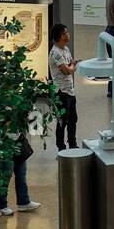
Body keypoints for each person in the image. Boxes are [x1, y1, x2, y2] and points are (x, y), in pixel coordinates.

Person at [0, 126, 40, 218]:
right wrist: (4, 134)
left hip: (18, 143)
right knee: (5, 175)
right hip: (4, 144)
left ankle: (24, 201)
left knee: (21, 174)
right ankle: (0, 205)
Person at [48, 23, 79, 152]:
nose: (68, 34)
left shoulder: (65, 49)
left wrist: (71, 66)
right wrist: (72, 66)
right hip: (61, 93)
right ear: (61, 36)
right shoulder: (55, 53)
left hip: (70, 91)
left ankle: (72, 143)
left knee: (73, 119)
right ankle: (61, 148)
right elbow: (68, 70)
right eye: (66, 32)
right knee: (62, 122)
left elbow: (71, 66)